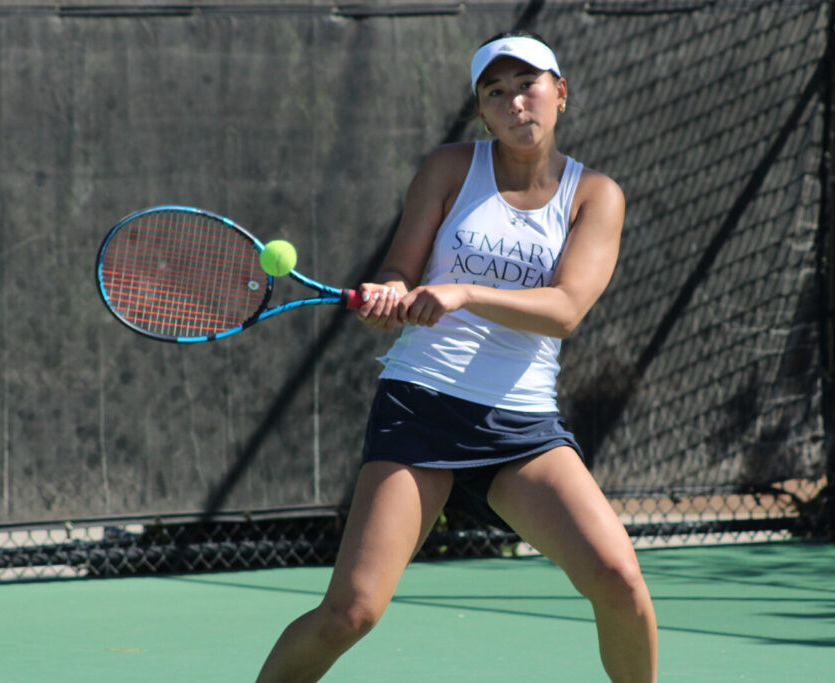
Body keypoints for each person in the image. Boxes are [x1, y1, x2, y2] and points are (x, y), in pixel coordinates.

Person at [256, 31, 658, 683]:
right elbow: (400, 269)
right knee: (352, 612)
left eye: (527, 85)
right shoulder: (449, 169)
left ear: (560, 92)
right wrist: (388, 294)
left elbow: (566, 309)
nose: (514, 102)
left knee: (620, 580)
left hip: (521, 424)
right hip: (421, 405)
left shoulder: (595, 195)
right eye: (495, 92)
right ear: (481, 111)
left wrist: (465, 292)